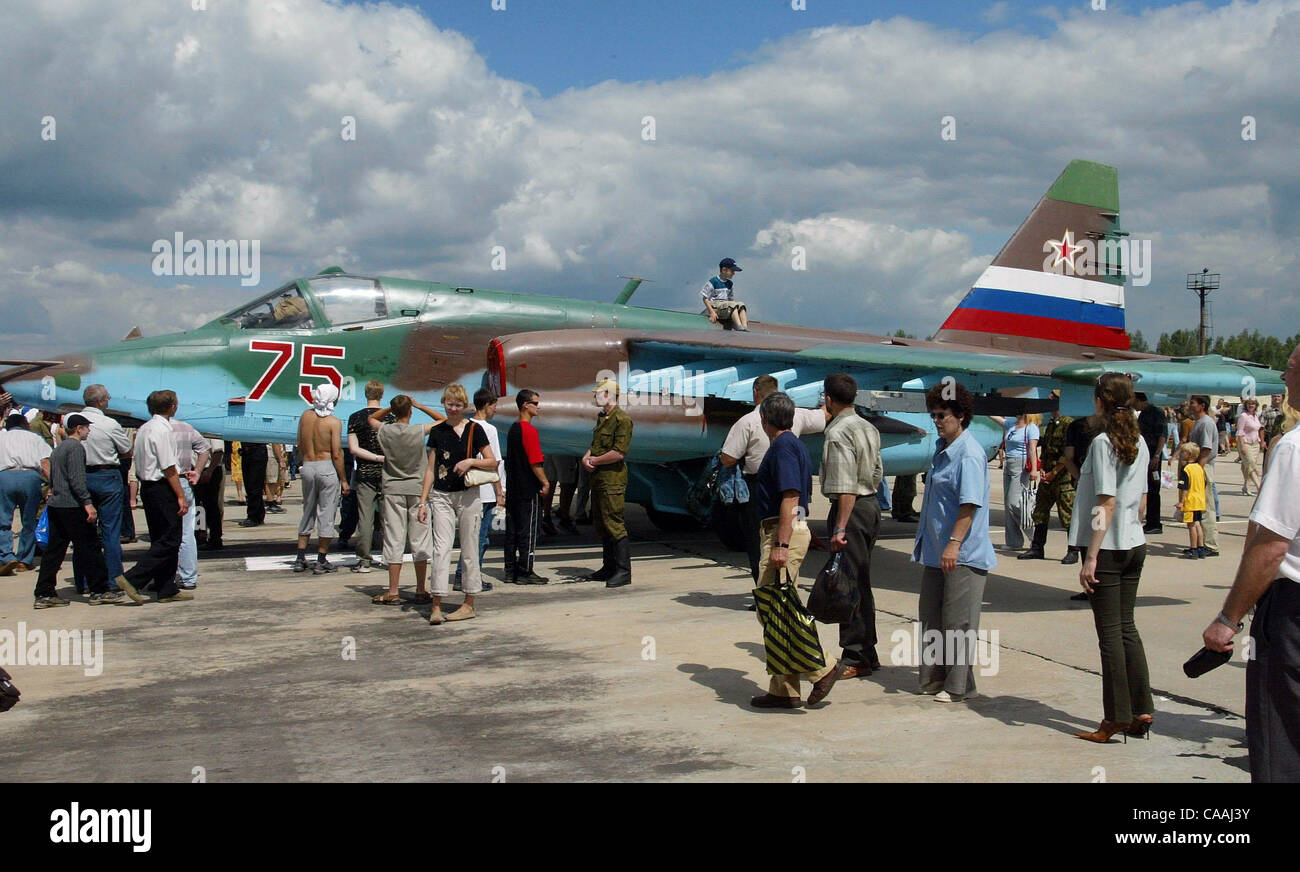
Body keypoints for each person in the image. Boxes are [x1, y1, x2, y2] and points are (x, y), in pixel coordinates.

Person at [1202, 344, 1300, 781]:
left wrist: (1228, 617)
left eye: (1291, 368)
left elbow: (1271, 546)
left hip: (1291, 615)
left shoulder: (1295, 448)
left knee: (1281, 739)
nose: (1283, 378)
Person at [1072, 372, 1152, 743]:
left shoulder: (1104, 443)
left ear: (1100, 401)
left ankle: (1115, 717)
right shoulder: (1139, 440)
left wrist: (1091, 556)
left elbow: (1106, 501)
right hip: (1134, 545)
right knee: (1127, 629)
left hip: (1110, 549)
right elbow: (1139, 498)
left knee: (1110, 636)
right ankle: (1141, 709)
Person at [749, 391, 839, 709]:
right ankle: (784, 689)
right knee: (775, 608)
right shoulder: (791, 444)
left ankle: (823, 667)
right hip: (783, 529)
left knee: (775, 608)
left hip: (783, 530)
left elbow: (790, 496)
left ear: (764, 420)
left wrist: (781, 545)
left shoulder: (784, 446)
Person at [912, 381, 996, 702]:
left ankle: (957, 687)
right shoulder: (942, 449)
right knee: (932, 616)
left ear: (960, 416)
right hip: (935, 550)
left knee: (958, 622)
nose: (936, 420)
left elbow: (969, 504)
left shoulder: (969, 454)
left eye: (942, 415)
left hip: (962, 552)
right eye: (933, 415)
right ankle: (934, 679)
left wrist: (954, 543)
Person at [719, 374, 827, 582]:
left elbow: (728, 458)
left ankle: (769, 592)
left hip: (761, 488)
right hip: (797, 500)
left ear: (755, 393)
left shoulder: (749, 423)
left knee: (758, 543)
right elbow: (823, 417)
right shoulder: (797, 420)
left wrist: (781, 546)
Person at [819, 373, 884, 679]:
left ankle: (856, 655)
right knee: (861, 580)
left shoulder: (837, 432)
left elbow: (845, 486)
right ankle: (867, 652)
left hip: (852, 509)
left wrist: (840, 528)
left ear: (828, 400)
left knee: (847, 583)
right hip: (869, 506)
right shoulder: (868, 427)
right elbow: (877, 471)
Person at [418, 385, 497, 623]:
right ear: (444, 403)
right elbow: (430, 469)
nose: (453, 409)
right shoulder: (438, 431)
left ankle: (469, 602)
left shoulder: (476, 429)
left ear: (465, 406)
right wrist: (422, 502)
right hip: (441, 495)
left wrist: (470, 461)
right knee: (440, 549)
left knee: (470, 548)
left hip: (468, 495)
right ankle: (437, 604)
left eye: (458, 405)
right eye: (449, 404)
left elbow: (493, 462)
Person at [31, 415, 125, 607]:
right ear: (78, 429)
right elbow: (77, 479)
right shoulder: (75, 448)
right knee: (90, 546)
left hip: (57, 504)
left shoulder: (60, 448)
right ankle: (99, 590)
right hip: (72, 505)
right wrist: (87, 503)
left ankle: (44, 592)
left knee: (55, 550)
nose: (89, 431)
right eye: (87, 428)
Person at [116, 390, 191, 604]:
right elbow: (169, 467)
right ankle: (132, 578)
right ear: (172, 407)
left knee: (160, 537)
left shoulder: (145, 428)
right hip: (161, 486)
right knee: (170, 540)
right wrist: (180, 496)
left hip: (148, 486)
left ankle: (166, 587)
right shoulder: (162, 430)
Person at [369, 395, 443, 605]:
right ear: (410, 411)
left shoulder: (386, 430)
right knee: (419, 539)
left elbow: (372, 419)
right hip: (418, 488)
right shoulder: (417, 431)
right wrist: (420, 405)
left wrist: (389, 408)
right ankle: (421, 589)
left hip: (393, 488)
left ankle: (393, 591)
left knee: (394, 538)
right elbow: (443, 420)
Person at [579, 377, 634, 587]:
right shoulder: (603, 417)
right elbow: (596, 444)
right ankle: (609, 566)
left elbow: (619, 453)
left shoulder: (622, 420)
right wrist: (587, 456)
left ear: (608, 395)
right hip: (599, 478)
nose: (595, 397)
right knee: (602, 523)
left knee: (614, 523)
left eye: (598, 393)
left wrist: (594, 460)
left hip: (612, 480)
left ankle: (623, 571)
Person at [78, 385, 133, 589]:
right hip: (107, 474)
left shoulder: (71, 420)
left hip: (81, 476)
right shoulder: (110, 423)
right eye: (108, 397)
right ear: (100, 402)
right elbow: (127, 450)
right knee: (111, 531)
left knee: (84, 532)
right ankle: (113, 579)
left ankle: (85, 580)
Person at [293, 383, 348, 574]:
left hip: (308, 465)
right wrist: (343, 479)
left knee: (307, 510)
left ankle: (300, 557)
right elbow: (336, 453)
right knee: (327, 513)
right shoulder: (334, 422)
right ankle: (321, 559)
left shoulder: (305, 416)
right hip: (326, 466)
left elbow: (299, 443)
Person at [455, 388, 504, 590]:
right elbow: (495, 463)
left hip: (468, 489)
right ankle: (469, 577)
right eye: (494, 406)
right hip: (485, 491)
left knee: (470, 536)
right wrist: (500, 492)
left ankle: (463, 575)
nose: (495, 410)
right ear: (486, 405)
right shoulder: (488, 429)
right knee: (480, 539)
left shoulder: (465, 426)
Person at [347, 380, 394, 573]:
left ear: (366, 394)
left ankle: (364, 559)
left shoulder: (355, 418)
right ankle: (390, 557)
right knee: (389, 518)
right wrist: (383, 458)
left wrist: (374, 457)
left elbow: (353, 448)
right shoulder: (390, 418)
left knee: (365, 518)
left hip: (365, 472)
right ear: (382, 395)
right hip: (387, 472)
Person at [504, 389, 551, 584]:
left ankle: (510, 569)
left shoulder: (513, 428)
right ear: (525, 405)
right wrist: (545, 482)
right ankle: (525, 569)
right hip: (527, 489)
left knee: (513, 529)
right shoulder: (529, 430)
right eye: (535, 403)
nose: (538, 407)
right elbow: (535, 462)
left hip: (514, 487)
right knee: (529, 530)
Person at [1019, 398, 1074, 561]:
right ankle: (1037, 548)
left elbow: (1067, 454)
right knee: (1040, 512)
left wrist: (1055, 472)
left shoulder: (1067, 423)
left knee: (1067, 515)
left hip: (1063, 478)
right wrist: (1042, 469)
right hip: (1048, 476)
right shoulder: (1051, 424)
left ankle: (1073, 550)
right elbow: (1046, 450)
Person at [0, 413, 52, 576]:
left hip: (5, 475)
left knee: (3, 520)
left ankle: (7, 555)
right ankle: (24, 559)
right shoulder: (34, 438)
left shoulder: (1, 437)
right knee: (29, 520)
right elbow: (45, 462)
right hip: (30, 476)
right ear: (24, 424)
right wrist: (53, 484)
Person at [170, 416, 210, 591]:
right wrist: (198, 471)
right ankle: (188, 577)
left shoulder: (149, 428)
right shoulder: (185, 428)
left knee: (163, 533)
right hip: (182, 478)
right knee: (186, 532)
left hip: (160, 481)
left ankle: (164, 575)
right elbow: (204, 448)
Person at [993, 412, 1039, 550]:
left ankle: (1035, 535)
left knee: (1014, 503)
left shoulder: (1031, 428)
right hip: (1009, 463)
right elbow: (996, 418)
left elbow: (1032, 449)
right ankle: (1014, 542)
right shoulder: (1011, 424)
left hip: (1021, 463)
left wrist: (1034, 469)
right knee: (1008, 504)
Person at [1188, 395, 1221, 557]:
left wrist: (1198, 472)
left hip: (1204, 466)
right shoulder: (1199, 422)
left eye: (1192, 403)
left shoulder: (1206, 423)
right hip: (1199, 465)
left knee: (1206, 507)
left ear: (1201, 406)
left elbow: (1206, 449)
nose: (1189, 405)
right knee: (1201, 507)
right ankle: (1201, 543)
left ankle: (1210, 545)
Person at [1135, 392, 1166, 534]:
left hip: (1153, 455)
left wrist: (1157, 455)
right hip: (1143, 456)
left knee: (1153, 489)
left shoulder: (1156, 413)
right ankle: (1149, 521)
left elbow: (1162, 435)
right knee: (1144, 488)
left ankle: (1154, 523)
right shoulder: (1142, 414)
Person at [1175, 442, 1207, 558]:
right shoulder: (1199, 468)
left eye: (1183, 452)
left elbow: (1184, 488)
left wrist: (1181, 502)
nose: (1181, 454)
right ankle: (1201, 547)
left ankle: (1193, 548)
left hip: (1190, 502)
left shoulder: (1186, 469)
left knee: (1191, 525)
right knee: (1198, 524)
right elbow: (1205, 483)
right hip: (1200, 500)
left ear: (1189, 454)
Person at [193, 438, 225, 551]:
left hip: (210, 468)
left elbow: (218, 451)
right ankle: (199, 536)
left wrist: (210, 471)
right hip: (195, 469)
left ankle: (215, 537)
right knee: (197, 506)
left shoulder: (211, 430)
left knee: (211, 505)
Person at [700, 257, 749, 331]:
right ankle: (738, 326)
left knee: (740, 304)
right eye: (732, 271)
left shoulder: (730, 284)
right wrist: (712, 312)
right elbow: (705, 298)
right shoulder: (714, 281)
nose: (734, 273)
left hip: (726, 307)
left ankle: (744, 325)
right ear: (724, 270)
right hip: (716, 306)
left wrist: (741, 314)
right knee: (732, 305)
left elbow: (731, 299)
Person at [1237, 398, 1264, 496]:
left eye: (1253, 404)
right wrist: (1242, 446)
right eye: (1249, 404)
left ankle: (1246, 486)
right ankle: (1259, 487)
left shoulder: (1256, 416)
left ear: (1256, 405)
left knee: (1247, 466)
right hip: (1245, 443)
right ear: (1246, 405)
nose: (1251, 405)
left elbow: (1259, 429)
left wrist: (1261, 442)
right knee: (1251, 464)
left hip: (1255, 443)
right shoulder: (1243, 416)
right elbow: (1240, 432)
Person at [238, 441, 267, 527]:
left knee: (255, 485)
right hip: (246, 452)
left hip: (257, 450)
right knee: (249, 485)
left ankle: (252, 516)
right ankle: (259, 514)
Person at [230, 440, 245, 505]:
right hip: (241, 442)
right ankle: (240, 495)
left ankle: (240, 495)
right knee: (238, 467)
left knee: (238, 467)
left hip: (238, 442)